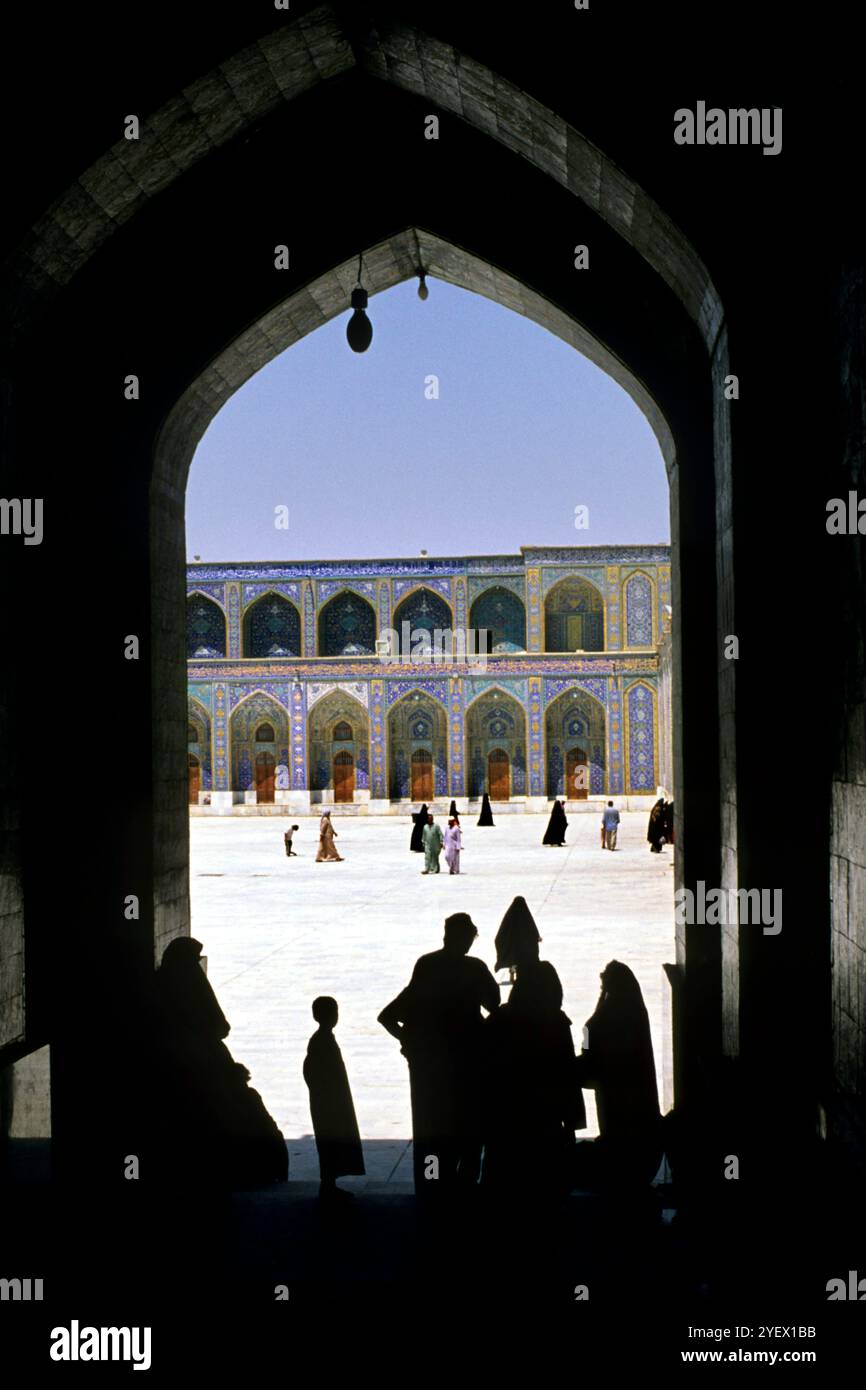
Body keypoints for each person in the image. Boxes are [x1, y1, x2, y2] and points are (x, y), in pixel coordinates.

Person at [378, 913, 499, 1195]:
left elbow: (388, 1016)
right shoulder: (474, 968)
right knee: (469, 1134)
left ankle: (433, 1184)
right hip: (467, 1069)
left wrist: (410, 1043)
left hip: (430, 1072)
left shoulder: (427, 965)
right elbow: (494, 1003)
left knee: (431, 1136)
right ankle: (465, 1186)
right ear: (466, 938)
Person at [484, 899, 585, 1198]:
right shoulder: (557, 1023)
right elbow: (567, 1069)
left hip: (510, 1117)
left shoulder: (502, 1020)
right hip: (547, 1117)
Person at [573, 961, 662, 1189]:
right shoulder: (636, 1019)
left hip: (612, 1105)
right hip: (639, 1126)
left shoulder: (594, 1025)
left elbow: (587, 1056)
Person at [303, 996, 365, 1202]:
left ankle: (329, 1184)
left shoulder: (321, 1039)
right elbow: (312, 1070)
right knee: (331, 1142)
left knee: (330, 1143)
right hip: (328, 1102)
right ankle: (328, 1186)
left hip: (327, 1100)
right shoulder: (322, 1040)